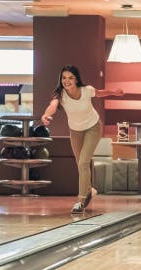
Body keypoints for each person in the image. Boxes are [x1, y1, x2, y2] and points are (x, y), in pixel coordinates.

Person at [41, 65, 124, 214]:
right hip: (75, 130)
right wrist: (46, 115)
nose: (67, 81)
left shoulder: (86, 91)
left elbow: (99, 93)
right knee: (80, 164)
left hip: (93, 127)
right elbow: (52, 106)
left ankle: (80, 201)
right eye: (64, 78)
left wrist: (114, 92)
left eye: (70, 78)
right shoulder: (60, 95)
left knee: (84, 162)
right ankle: (89, 190)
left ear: (76, 79)